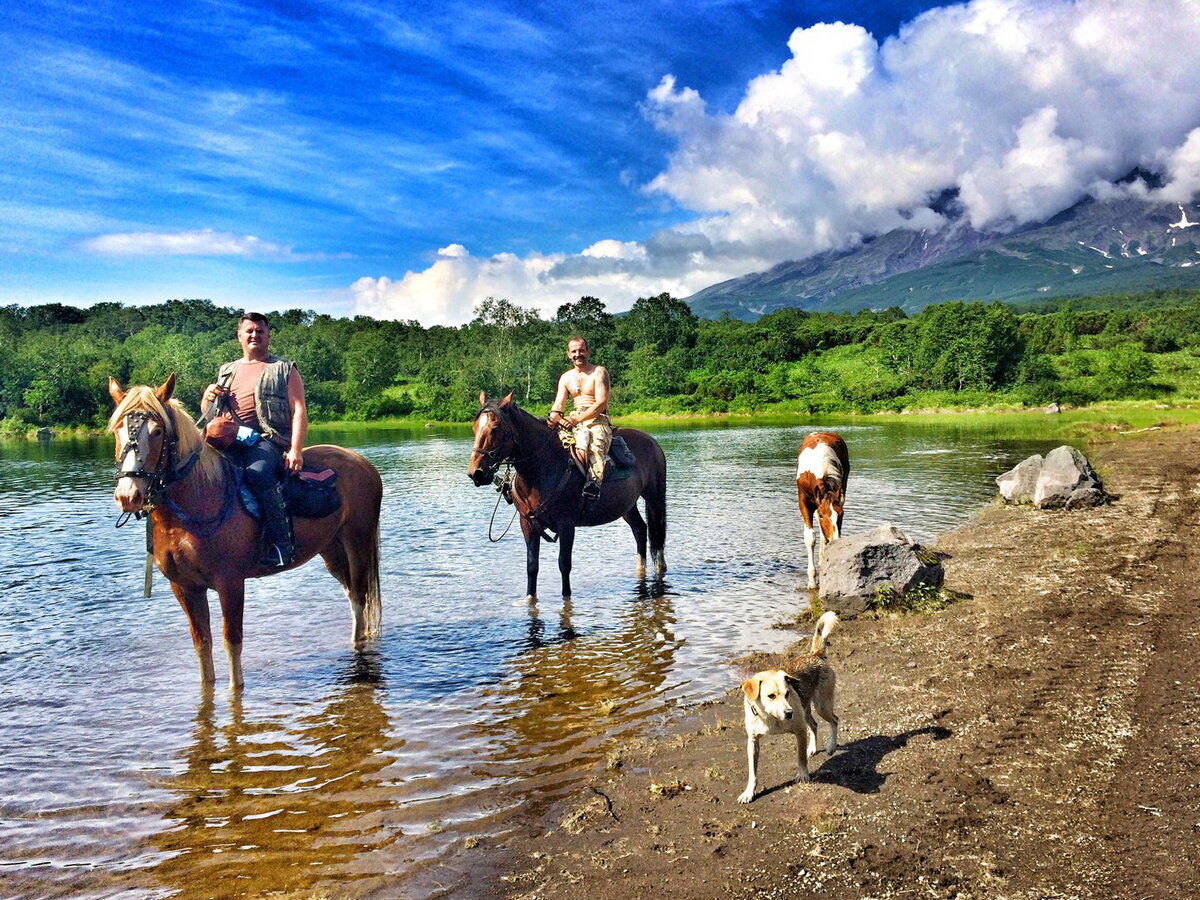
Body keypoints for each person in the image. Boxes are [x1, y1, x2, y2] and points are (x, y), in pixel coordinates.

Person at [201, 312, 308, 569]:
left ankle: (282, 544)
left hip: (265, 441)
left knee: (258, 473)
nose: (254, 335)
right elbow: (208, 413)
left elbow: (299, 410)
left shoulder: (284, 368)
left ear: (268, 335)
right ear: (239, 336)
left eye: (260, 331)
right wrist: (207, 395)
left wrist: (295, 450)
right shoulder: (227, 371)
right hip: (227, 439)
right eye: (249, 331)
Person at [547, 336, 611, 500]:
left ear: (588, 351)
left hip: (597, 419)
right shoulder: (566, 377)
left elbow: (601, 402)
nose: (578, 354)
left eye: (581, 350)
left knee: (596, 444)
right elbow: (559, 404)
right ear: (568, 354)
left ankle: (593, 484)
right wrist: (555, 416)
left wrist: (577, 420)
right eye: (574, 351)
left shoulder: (599, 372)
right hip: (574, 417)